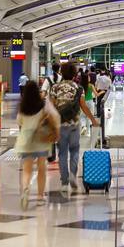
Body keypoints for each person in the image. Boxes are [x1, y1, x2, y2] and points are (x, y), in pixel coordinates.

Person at [49, 62, 99, 194]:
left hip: (60, 125)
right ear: (74, 74)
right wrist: (93, 120)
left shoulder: (55, 87)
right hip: (74, 124)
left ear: (62, 72)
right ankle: (73, 175)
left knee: (62, 154)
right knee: (75, 151)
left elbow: (51, 107)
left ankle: (64, 182)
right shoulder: (78, 88)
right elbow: (83, 106)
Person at [14, 80, 58, 208]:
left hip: (26, 141)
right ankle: (40, 197)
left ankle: (26, 189)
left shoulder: (22, 107)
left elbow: (20, 123)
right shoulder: (43, 106)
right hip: (41, 141)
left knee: (27, 170)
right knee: (41, 169)